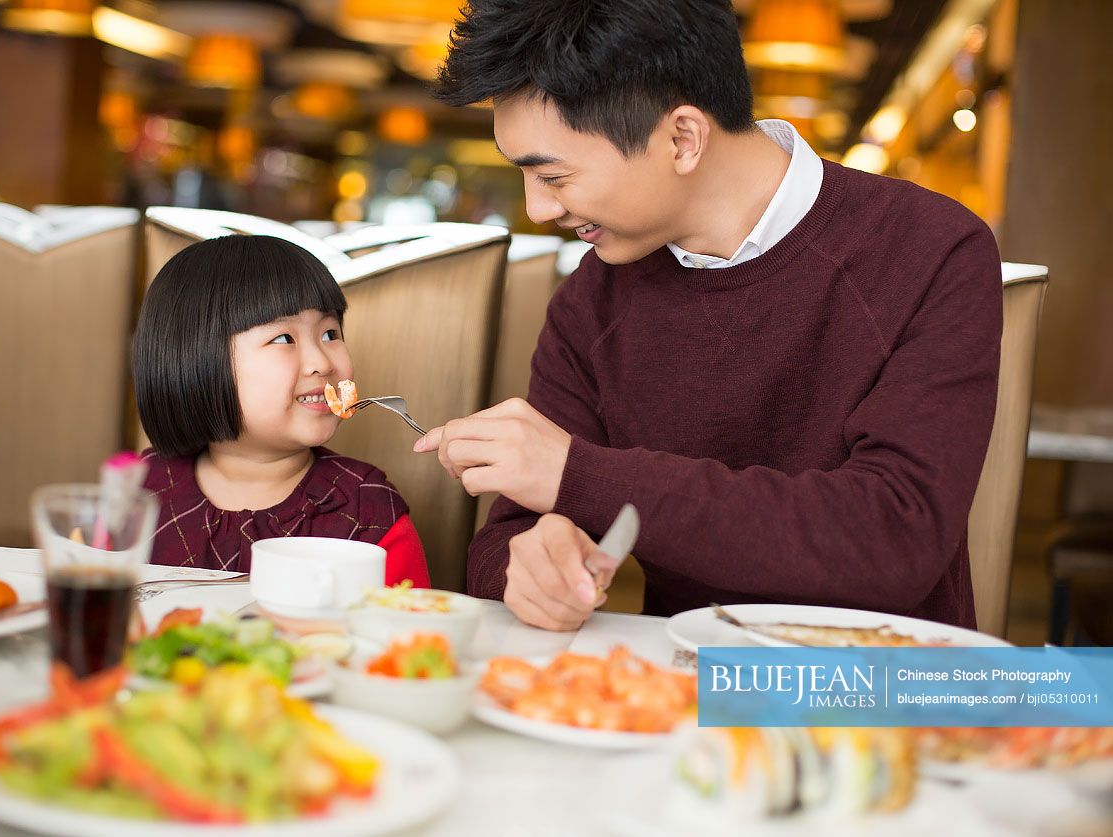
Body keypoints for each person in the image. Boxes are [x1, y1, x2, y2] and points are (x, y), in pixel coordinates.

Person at [416, 0, 1002, 631]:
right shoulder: (594, 298)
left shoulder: (930, 248)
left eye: (555, 177)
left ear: (683, 138)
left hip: (883, 689)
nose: (538, 210)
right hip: (681, 689)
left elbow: (895, 536)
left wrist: (580, 476)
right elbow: (517, 530)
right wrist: (527, 566)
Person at [132, 235, 430, 584]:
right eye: (284, 338)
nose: (321, 362)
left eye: (330, 333)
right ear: (195, 359)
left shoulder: (367, 508)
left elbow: (409, 630)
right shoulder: (142, 489)